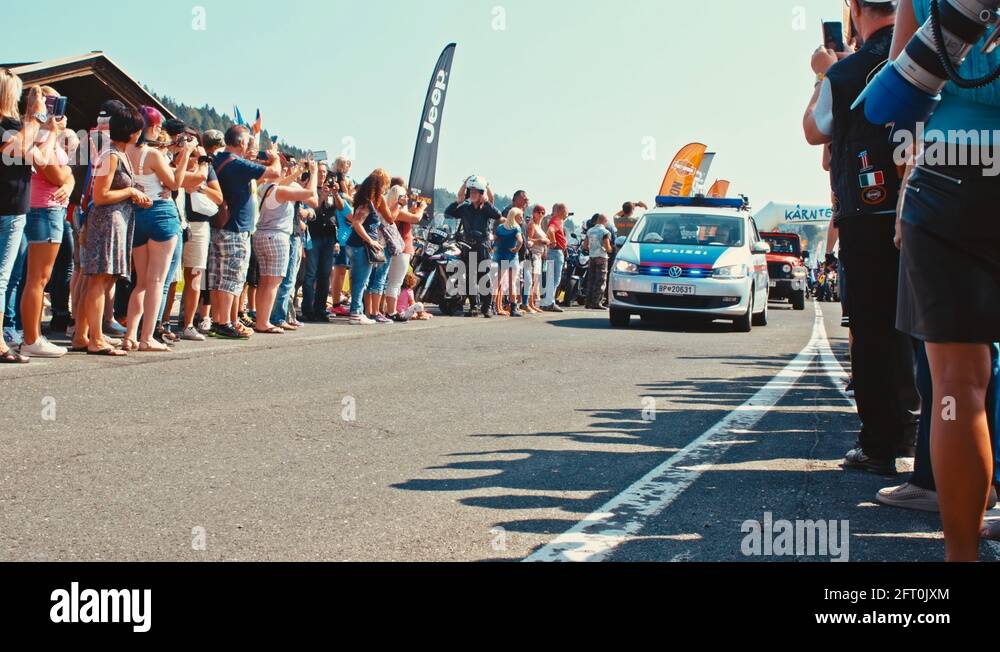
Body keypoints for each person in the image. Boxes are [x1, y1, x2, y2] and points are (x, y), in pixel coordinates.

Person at [885, 0, 1000, 560]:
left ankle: (962, 562)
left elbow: (899, 99)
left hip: (947, 176)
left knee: (958, 386)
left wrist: (909, 183)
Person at [803, 0, 919, 476]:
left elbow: (814, 132)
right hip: (930, 204)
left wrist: (823, 75)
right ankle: (930, 449)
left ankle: (880, 444)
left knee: (872, 330)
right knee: (937, 331)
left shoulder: (847, 72)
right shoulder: (937, 48)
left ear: (853, 9)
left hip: (867, 214)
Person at [122, 107, 196, 353]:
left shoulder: (125, 150)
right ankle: (147, 337)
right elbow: (174, 183)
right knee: (156, 281)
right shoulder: (152, 154)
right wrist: (185, 156)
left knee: (141, 282)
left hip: (136, 214)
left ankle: (130, 335)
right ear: (153, 128)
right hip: (161, 214)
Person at [80, 106, 152, 356]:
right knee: (99, 279)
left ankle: (89, 335)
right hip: (106, 222)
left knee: (105, 278)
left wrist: (135, 190)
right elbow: (100, 195)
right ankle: (95, 338)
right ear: (132, 132)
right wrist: (131, 191)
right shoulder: (110, 154)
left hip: (117, 221)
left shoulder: (117, 153)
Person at [0, 71, 59, 363]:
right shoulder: (9, 126)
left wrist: (51, 132)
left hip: (13, 208)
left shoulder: (15, 125)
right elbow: (19, 150)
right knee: (2, 278)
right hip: (8, 208)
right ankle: (0, 343)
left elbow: (41, 158)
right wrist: (33, 118)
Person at [17, 87, 77, 358]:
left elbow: (68, 173)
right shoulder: (39, 134)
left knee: (34, 278)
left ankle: (29, 334)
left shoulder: (39, 133)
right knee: (37, 279)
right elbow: (52, 172)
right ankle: (32, 337)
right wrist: (52, 132)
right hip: (43, 209)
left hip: (47, 208)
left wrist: (68, 179)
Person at [208, 125, 281, 339]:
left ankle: (218, 320)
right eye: (248, 141)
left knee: (217, 277)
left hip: (220, 226)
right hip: (236, 228)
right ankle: (224, 322)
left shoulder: (220, 159)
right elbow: (275, 173)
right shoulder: (237, 163)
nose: (250, 146)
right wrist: (274, 156)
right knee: (232, 277)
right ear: (241, 143)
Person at [253, 159, 318, 334]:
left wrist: (295, 174)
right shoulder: (281, 191)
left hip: (260, 235)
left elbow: (282, 182)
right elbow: (310, 193)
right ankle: (264, 322)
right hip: (277, 237)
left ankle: (261, 320)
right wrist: (314, 172)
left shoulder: (264, 188)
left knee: (264, 282)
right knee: (273, 282)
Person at [178, 129, 224, 341]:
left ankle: (188, 324)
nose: (190, 145)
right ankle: (161, 323)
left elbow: (218, 197)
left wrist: (199, 187)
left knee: (195, 275)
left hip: (199, 224)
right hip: (177, 220)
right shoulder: (175, 160)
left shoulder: (207, 167)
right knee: (169, 278)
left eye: (193, 142)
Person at [445, 176, 500, 318]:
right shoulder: (464, 208)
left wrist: (487, 188)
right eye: (471, 191)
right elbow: (449, 212)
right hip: (467, 246)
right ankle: (474, 306)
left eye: (476, 192)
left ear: (481, 194)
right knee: (470, 278)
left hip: (482, 246)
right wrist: (462, 190)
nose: (473, 194)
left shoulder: (486, 209)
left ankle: (487, 307)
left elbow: (497, 214)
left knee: (484, 277)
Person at [345, 169, 390, 325]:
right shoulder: (367, 204)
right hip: (361, 246)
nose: (384, 190)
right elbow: (357, 223)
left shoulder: (362, 201)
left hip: (354, 245)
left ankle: (356, 311)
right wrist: (371, 241)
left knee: (356, 280)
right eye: (383, 187)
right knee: (360, 281)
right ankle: (356, 313)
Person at [382, 182, 426, 321]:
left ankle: (386, 310)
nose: (407, 198)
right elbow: (416, 218)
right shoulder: (397, 211)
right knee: (395, 282)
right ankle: (391, 311)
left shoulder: (392, 210)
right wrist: (422, 208)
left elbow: (409, 217)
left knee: (389, 281)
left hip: (398, 248)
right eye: (404, 196)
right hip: (401, 248)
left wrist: (412, 210)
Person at [493, 207, 524, 317]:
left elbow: (494, 238)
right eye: (520, 216)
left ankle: (492, 306)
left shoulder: (501, 227)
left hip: (501, 255)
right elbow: (520, 241)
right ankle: (513, 308)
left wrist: (492, 247)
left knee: (497, 282)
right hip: (512, 257)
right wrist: (516, 249)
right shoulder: (516, 228)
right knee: (512, 283)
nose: (522, 219)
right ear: (515, 216)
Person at [541, 203, 569, 313]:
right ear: (562, 211)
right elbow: (550, 231)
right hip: (556, 252)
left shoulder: (555, 220)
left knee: (550, 278)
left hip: (554, 252)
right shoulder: (557, 221)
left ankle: (546, 302)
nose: (567, 214)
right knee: (555, 279)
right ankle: (550, 303)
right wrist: (553, 241)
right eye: (566, 211)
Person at [524, 204, 549, 314]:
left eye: (543, 212)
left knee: (536, 281)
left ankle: (532, 303)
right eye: (538, 212)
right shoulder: (532, 225)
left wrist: (545, 247)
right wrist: (541, 241)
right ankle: (528, 303)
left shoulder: (539, 226)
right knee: (532, 280)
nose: (540, 214)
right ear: (534, 213)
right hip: (533, 254)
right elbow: (529, 239)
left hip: (540, 254)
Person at [585, 213, 612, 310]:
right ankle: (597, 302)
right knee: (600, 280)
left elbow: (585, 246)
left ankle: (588, 302)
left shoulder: (589, 231)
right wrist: (610, 250)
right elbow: (607, 246)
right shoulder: (605, 232)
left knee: (591, 279)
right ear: (604, 221)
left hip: (592, 257)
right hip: (601, 257)